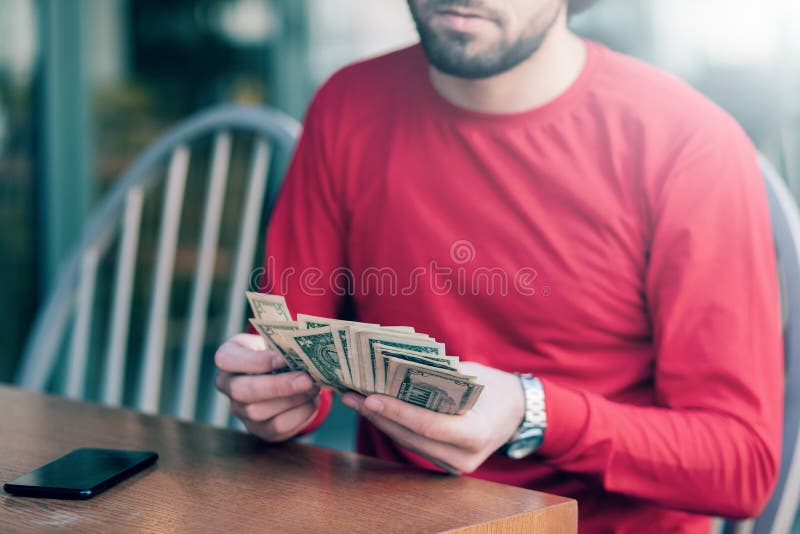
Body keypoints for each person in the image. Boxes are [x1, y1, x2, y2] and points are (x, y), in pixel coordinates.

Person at [214, 0, 784, 531]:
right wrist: (273, 398)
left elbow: (741, 464)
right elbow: (291, 350)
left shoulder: (689, 144)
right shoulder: (348, 103)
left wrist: (529, 411)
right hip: (393, 516)